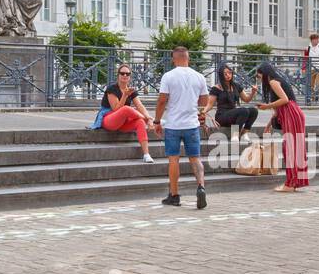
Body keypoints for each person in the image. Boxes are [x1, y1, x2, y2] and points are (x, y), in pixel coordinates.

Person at [153, 47, 209, 209]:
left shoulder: (168, 76)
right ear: (188, 58)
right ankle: (201, 186)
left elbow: (162, 100)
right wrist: (195, 109)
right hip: (192, 124)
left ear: (173, 59)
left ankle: (174, 195)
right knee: (195, 158)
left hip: (173, 125)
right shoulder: (199, 77)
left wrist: (157, 121)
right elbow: (204, 101)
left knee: (173, 160)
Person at [254, 61, 309, 192]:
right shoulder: (277, 80)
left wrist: (266, 106)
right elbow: (281, 105)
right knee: (295, 148)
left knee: (290, 149)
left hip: (291, 114)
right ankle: (295, 182)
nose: (260, 79)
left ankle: (290, 184)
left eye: (260, 76)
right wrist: (268, 124)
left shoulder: (273, 81)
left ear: (265, 74)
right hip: (293, 113)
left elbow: (284, 100)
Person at [100, 64, 156, 163]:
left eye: (127, 73)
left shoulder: (131, 90)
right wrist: (125, 95)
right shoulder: (112, 89)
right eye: (122, 73)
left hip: (123, 123)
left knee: (139, 121)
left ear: (130, 76)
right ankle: (149, 120)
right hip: (109, 119)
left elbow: (140, 106)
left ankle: (146, 154)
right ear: (118, 75)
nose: (125, 75)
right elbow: (116, 109)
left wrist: (147, 116)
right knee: (126, 109)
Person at [202, 62, 259, 138]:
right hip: (222, 116)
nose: (228, 75)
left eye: (229, 73)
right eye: (225, 74)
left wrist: (252, 92)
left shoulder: (236, 86)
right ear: (221, 75)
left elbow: (246, 99)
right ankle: (235, 135)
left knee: (254, 111)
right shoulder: (216, 88)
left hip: (233, 114)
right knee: (243, 111)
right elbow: (210, 104)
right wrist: (203, 111)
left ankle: (244, 133)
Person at [303, 33, 319, 102]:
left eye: (317, 39)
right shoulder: (308, 48)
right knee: (311, 83)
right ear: (311, 40)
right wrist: (303, 68)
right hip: (311, 67)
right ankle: (312, 98)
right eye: (315, 39)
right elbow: (305, 59)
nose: (316, 41)